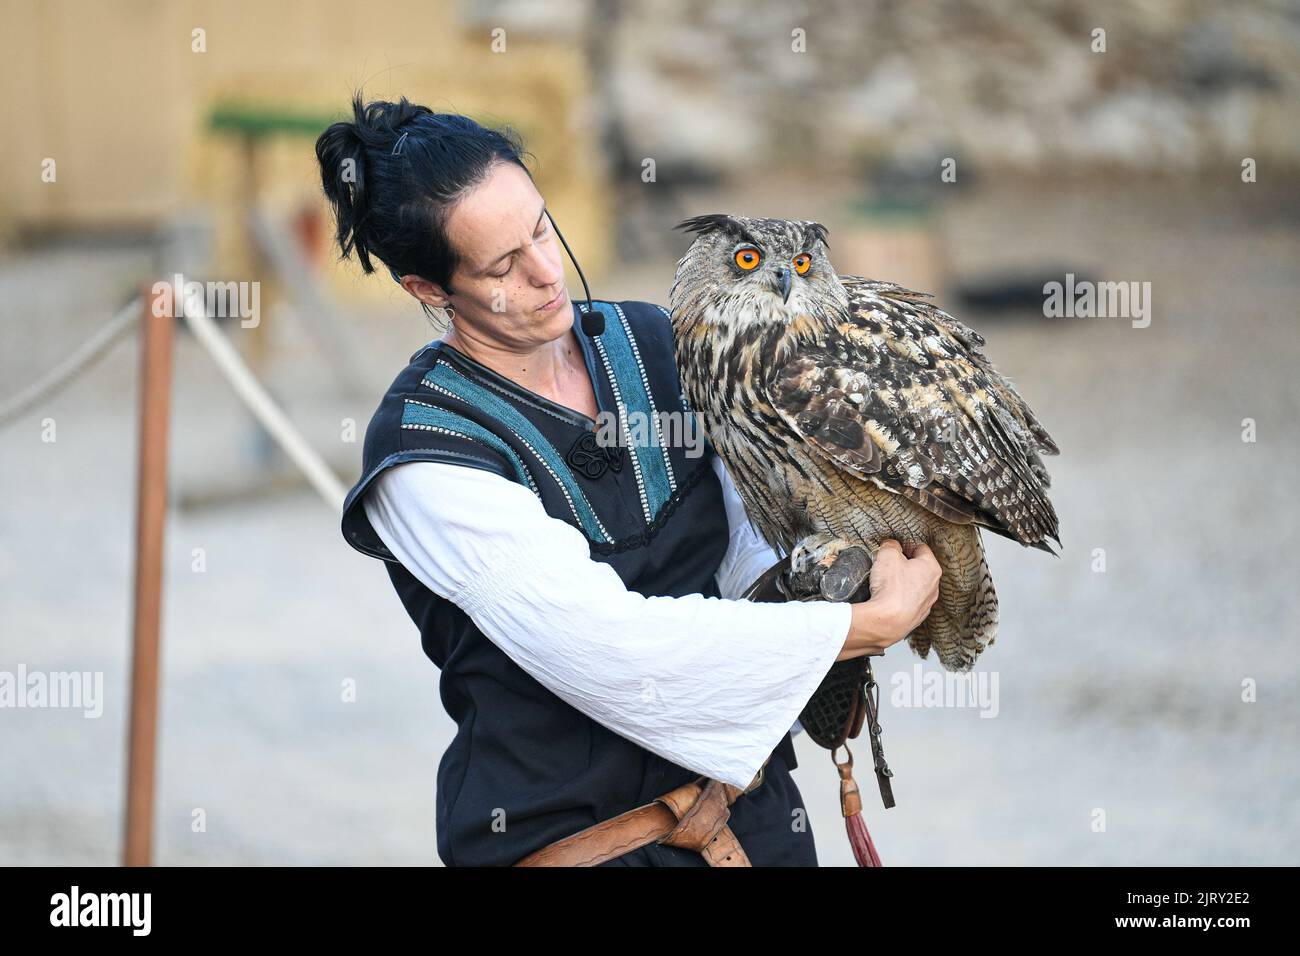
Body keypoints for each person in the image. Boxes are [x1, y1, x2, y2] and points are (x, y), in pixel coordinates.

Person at [315, 92, 942, 866]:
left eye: (542, 227)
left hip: (755, 821)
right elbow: (617, 654)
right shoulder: (426, 454)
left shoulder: (660, 344)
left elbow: (750, 542)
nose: (548, 272)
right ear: (429, 289)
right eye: (505, 264)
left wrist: (836, 566)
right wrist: (854, 629)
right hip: (581, 847)